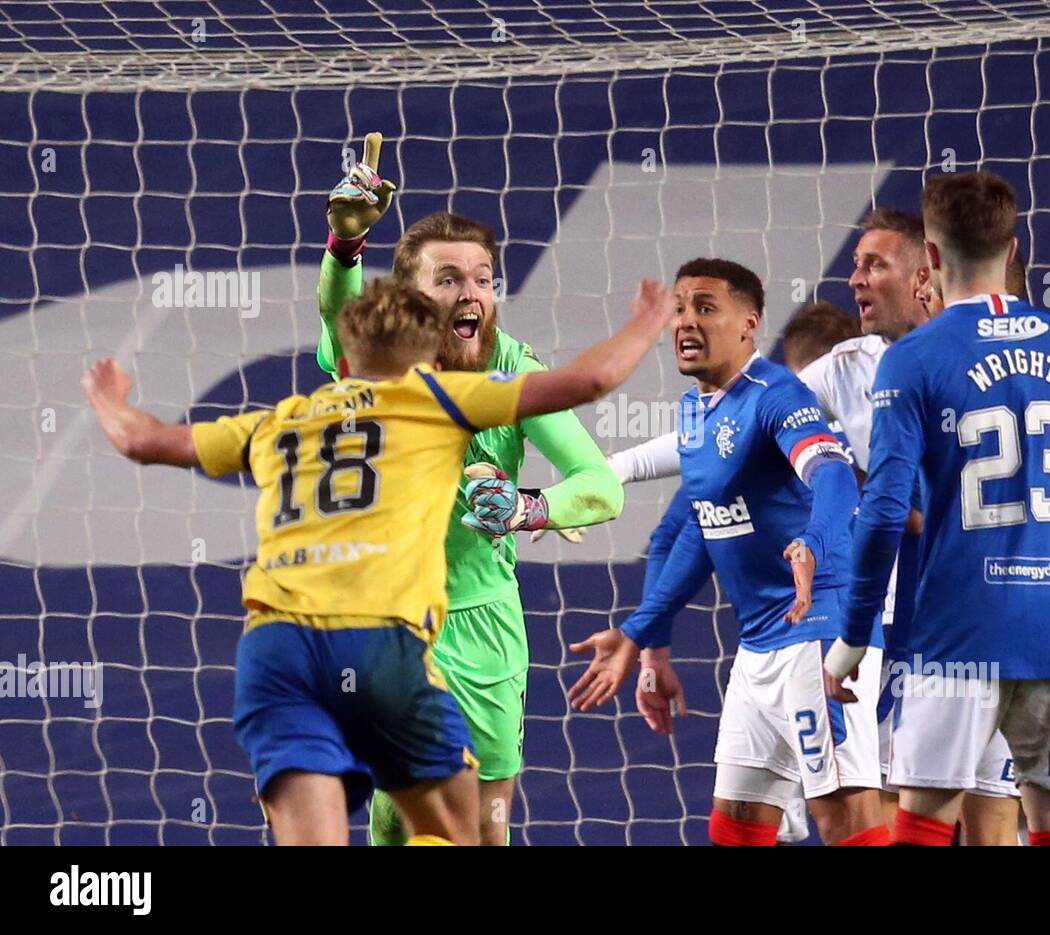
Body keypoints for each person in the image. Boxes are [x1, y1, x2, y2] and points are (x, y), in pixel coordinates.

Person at [82, 276, 674, 845]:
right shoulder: (436, 399)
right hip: (377, 646)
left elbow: (144, 441)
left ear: (341, 367)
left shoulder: (281, 420)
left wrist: (106, 397)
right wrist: (649, 319)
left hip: (275, 653)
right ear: (434, 365)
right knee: (456, 829)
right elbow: (592, 378)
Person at [318, 136, 624, 845]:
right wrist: (344, 244)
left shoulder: (516, 372)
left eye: (483, 278)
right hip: (392, 618)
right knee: (397, 820)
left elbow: (601, 486)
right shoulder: (379, 352)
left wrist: (527, 508)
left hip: (483, 627)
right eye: (448, 278)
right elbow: (337, 309)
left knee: (486, 828)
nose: (471, 294)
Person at [824, 171, 1050, 846]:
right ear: (1014, 245)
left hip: (954, 636)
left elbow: (881, 511)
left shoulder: (912, 359)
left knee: (923, 825)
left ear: (930, 258)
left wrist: (852, 637)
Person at [570, 259, 887, 846]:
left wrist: (813, 543)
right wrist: (642, 632)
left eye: (706, 308)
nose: (687, 321)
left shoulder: (776, 395)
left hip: (816, 634)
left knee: (849, 822)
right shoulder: (698, 411)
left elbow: (835, 476)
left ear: (749, 323)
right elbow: (697, 536)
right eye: (681, 308)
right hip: (760, 644)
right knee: (737, 824)